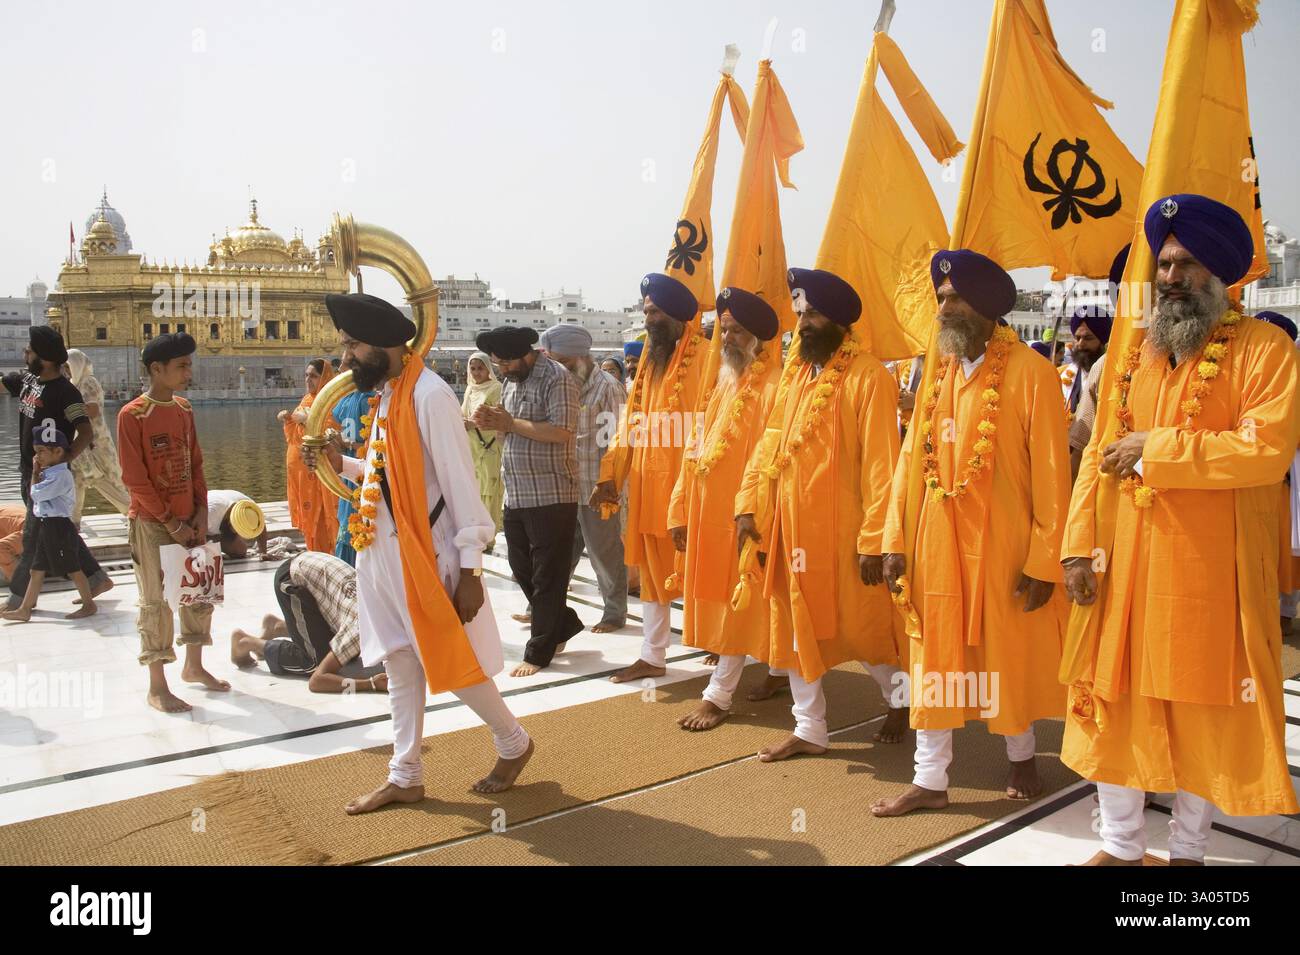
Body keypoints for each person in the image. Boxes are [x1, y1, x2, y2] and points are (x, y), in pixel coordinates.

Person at [1062, 194, 1300, 865]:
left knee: (1203, 711)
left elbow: (1265, 450)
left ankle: (1189, 850)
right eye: (1164, 264)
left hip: (1209, 573)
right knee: (1116, 702)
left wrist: (1156, 449)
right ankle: (1120, 845)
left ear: (1218, 273)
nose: (1170, 276)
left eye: (1186, 264)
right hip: (1124, 570)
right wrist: (1076, 548)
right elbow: (1098, 457)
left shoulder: (1265, 349)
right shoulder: (1137, 352)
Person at [304, 292, 533, 812]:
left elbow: (460, 485)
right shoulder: (389, 393)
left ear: (382, 344)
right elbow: (384, 478)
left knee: (447, 658)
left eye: (352, 346)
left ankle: (513, 741)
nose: (345, 358)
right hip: (384, 552)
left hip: (427, 554)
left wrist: (471, 570)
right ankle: (405, 774)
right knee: (401, 662)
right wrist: (342, 464)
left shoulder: (429, 395)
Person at [876, 249, 1070, 817]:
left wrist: (1044, 560)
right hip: (936, 545)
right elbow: (909, 462)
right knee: (933, 657)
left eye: (956, 299)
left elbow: (1054, 475)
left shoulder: (1032, 373)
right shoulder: (935, 377)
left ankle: (1022, 756)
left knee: (1006, 654)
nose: (944, 309)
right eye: (941, 299)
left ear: (986, 305)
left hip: (1006, 548)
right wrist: (894, 540)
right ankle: (929, 779)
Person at [734, 269, 906, 759]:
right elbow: (769, 446)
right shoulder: (796, 375)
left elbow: (882, 465)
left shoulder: (870, 377)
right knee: (791, 625)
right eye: (801, 314)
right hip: (787, 528)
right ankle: (810, 728)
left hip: (844, 536)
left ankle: (901, 698)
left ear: (839, 321)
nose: (803, 323)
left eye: (813, 314)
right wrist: (748, 507)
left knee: (863, 629)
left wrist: (874, 540)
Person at [672, 288, 782, 731]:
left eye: (737, 331)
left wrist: (751, 512)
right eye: (725, 330)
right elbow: (695, 449)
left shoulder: (775, 387)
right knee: (743, 600)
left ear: (758, 337)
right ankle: (781, 671)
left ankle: (718, 696)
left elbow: (772, 460)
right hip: (710, 516)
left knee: (742, 598)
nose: (728, 339)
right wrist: (679, 508)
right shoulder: (722, 384)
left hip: (750, 518)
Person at [591, 274, 708, 684]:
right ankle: (652, 655)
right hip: (648, 488)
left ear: (675, 315)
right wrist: (610, 475)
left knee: (707, 569)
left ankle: (729, 647)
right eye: (645, 312)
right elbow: (630, 423)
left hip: (692, 490)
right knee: (654, 577)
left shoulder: (708, 357)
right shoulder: (649, 360)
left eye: (655, 312)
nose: (648, 319)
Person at [118, 332, 228, 713]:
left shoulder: (183, 409)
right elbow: (135, 480)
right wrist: (170, 522)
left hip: (188, 518)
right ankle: (157, 685)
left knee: (198, 591)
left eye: (188, 365)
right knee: (156, 602)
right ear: (156, 369)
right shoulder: (132, 415)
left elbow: (195, 462)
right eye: (181, 366)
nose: (188, 372)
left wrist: (200, 511)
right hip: (152, 522)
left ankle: (194, 666)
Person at [472, 325, 584, 677]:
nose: (502, 369)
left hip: (552, 491)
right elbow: (508, 427)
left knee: (547, 575)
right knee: (521, 567)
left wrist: (510, 423)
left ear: (525, 354)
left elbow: (562, 431)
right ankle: (563, 624)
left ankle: (539, 651)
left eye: (505, 363)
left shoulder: (557, 378)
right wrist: (490, 422)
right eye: (497, 364)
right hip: (517, 492)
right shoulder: (511, 381)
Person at [3, 326, 112, 611]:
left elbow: (85, 432)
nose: (25, 353)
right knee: (57, 527)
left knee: (33, 534)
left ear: (46, 358)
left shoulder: (66, 393)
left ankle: (19, 599)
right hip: (29, 470)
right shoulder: (29, 381)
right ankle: (96, 578)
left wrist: (65, 459)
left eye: (30, 350)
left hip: (49, 477)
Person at [540, 323, 628, 633]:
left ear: (581, 357)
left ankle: (614, 613)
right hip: (565, 484)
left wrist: (610, 484)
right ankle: (544, 608)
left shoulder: (608, 388)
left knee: (603, 551)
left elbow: (619, 441)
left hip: (597, 486)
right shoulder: (560, 385)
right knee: (559, 551)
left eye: (563, 362)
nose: (559, 369)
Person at [230, 551, 387, 694]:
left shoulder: (384, 610)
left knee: (346, 655)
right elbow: (317, 681)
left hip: (311, 568)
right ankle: (245, 642)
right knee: (314, 663)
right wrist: (370, 684)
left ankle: (277, 626)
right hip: (292, 579)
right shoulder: (358, 630)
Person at [3, 429, 97, 621]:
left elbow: (36, 494)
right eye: (36, 451)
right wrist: (38, 474)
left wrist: (34, 473)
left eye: (41, 451)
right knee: (36, 569)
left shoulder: (61, 475)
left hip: (59, 527)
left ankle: (89, 604)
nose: (37, 456)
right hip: (46, 526)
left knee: (73, 568)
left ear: (58, 451)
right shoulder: (49, 473)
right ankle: (25, 609)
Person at [63, 349, 131, 522]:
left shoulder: (88, 382)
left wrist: (63, 412)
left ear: (77, 365)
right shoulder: (76, 383)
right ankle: (73, 520)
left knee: (101, 478)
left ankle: (132, 512)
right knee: (77, 478)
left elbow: (92, 410)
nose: (67, 371)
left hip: (94, 441)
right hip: (81, 441)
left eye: (69, 366)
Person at [280, 358, 339, 551]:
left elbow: (331, 431)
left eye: (313, 376)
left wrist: (307, 419)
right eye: (306, 375)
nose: (308, 380)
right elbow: (293, 437)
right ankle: (315, 553)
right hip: (302, 474)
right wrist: (289, 420)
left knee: (323, 518)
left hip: (319, 473)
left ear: (324, 377)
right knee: (310, 520)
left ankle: (329, 555)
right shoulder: (306, 400)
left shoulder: (330, 401)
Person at [329, 376, 378, 565]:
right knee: (347, 519)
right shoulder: (346, 399)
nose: (341, 369)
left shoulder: (369, 400)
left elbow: (375, 446)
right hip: (349, 469)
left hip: (365, 469)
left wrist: (347, 444)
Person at [460, 351, 504, 540]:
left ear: (488, 370)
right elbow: (463, 413)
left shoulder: (496, 388)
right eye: (473, 368)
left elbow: (498, 417)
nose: (476, 372)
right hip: (472, 447)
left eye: (480, 368)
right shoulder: (470, 390)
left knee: (490, 490)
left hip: (490, 446)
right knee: (474, 490)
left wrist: (473, 423)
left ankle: (489, 536)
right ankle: (477, 532)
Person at [1066, 306, 1112, 480]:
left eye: (1088, 338)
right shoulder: (1060, 375)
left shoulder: (1111, 373)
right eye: (1077, 337)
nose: (1080, 344)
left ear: (1103, 340)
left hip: (1098, 464)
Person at [206, 489, 269, 559]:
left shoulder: (249, 507)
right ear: (231, 522)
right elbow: (196, 535)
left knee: (239, 552)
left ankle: (217, 542)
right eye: (238, 530)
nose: (239, 534)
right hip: (201, 529)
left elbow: (261, 527)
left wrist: (263, 552)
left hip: (221, 522)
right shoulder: (210, 514)